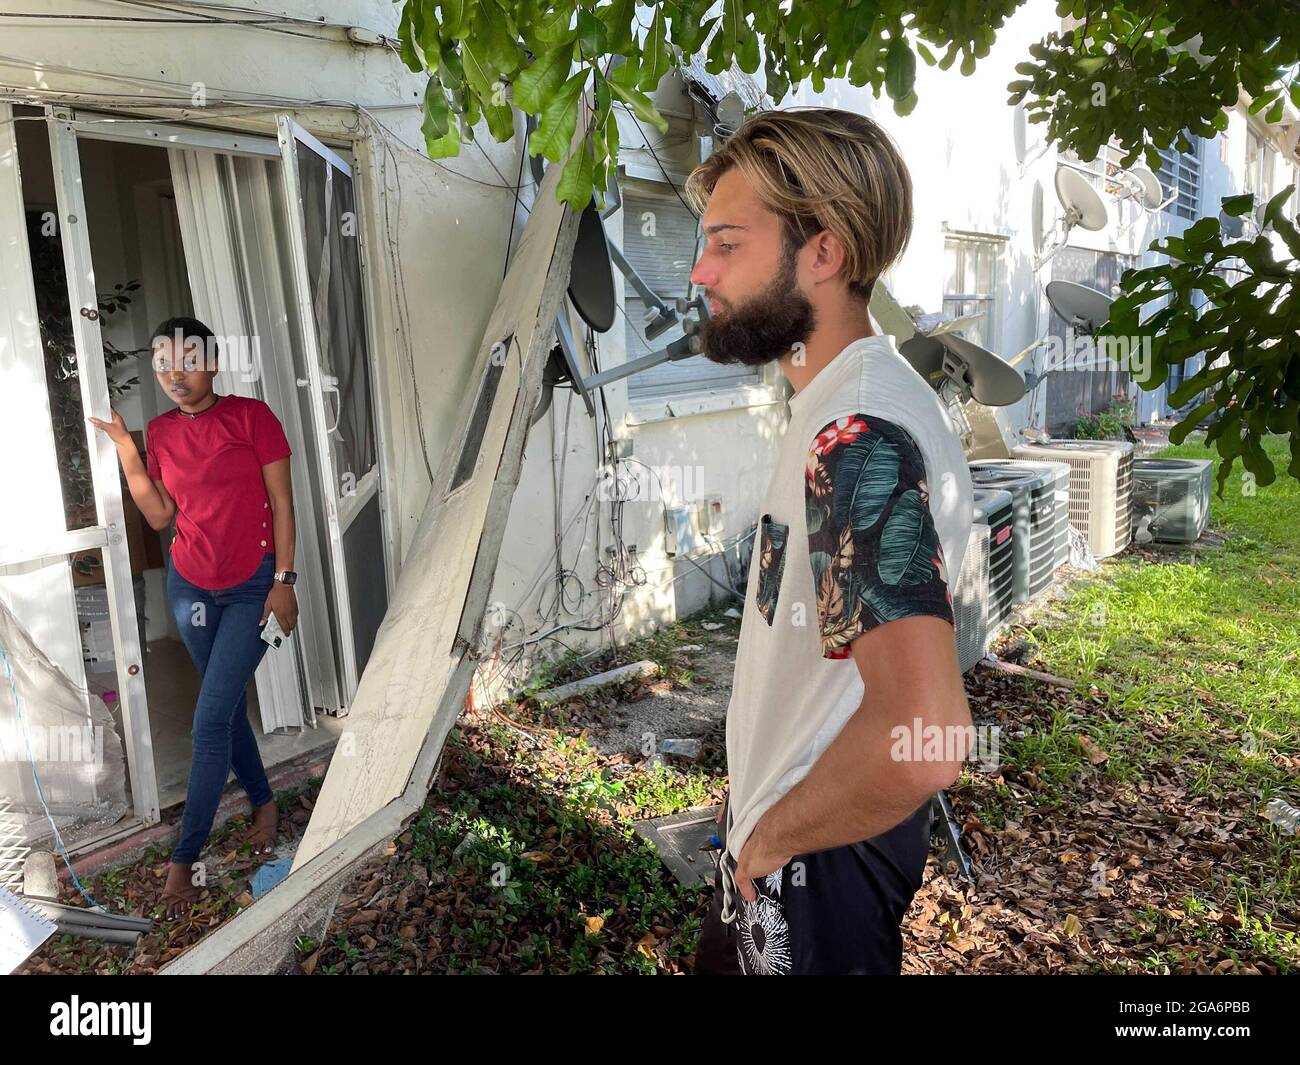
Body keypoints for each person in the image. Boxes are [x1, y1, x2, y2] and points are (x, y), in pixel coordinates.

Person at [685, 109, 975, 974]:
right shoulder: (842, 403)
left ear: (825, 252)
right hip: (794, 853)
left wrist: (770, 840)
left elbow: (928, 731)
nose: (700, 270)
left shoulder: (854, 432)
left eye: (728, 244)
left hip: (812, 874)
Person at [89, 316, 299, 919]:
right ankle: (263, 801)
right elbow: (159, 516)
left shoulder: (251, 417)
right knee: (222, 705)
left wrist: (284, 581)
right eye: (162, 362)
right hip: (190, 585)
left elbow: (282, 503)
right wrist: (129, 451)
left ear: (213, 362)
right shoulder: (158, 431)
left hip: (254, 584)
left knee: (207, 720)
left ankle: (184, 863)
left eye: (185, 359)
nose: (173, 373)